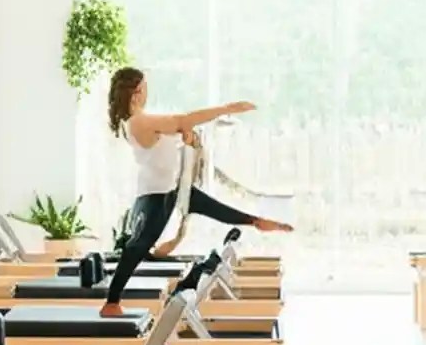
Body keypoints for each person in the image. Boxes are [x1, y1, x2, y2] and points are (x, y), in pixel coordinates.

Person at [99, 66, 292, 317]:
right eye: (145, 88)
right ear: (136, 93)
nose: (147, 92)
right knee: (137, 248)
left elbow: (172, 138)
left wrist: (186, 139)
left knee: (213, 208)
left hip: (171, 189)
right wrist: (226, 108)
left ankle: (256, 221)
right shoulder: (138, 122)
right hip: (156, 195)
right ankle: (110, 303)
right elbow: (182, 120)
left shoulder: (144, 121)